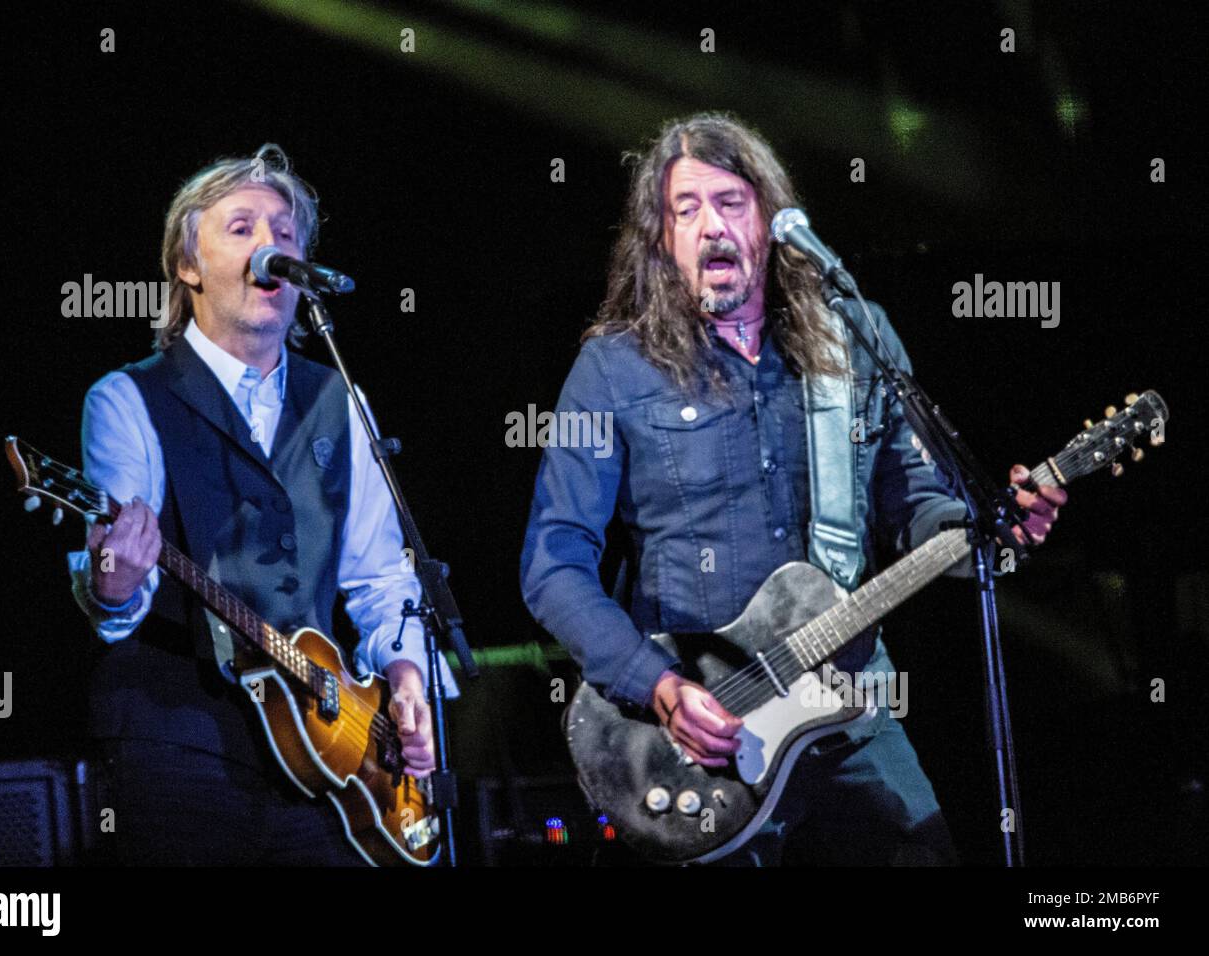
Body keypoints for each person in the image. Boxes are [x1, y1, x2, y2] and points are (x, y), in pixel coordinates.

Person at [520, 113, 1065, 865]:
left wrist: (994, 527)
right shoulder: (614, 369)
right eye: (686, 210)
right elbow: (553, 562)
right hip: (700, 736)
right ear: (661, 239)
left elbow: (913, 500)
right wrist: (660, 687)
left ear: (771, 221)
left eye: (731, 203)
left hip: (847, 712)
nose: (712, 227)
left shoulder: (853, 339)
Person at [66, 144, 457, 865]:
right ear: (188, 266)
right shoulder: (127, 399)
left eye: (284, 232)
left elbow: (379, 575)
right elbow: (115, 589)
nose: (269, 245)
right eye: (241, 228)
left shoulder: (338, 398)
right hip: (179, 750)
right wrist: (114, 580)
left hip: (326, 755)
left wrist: (407, 677)